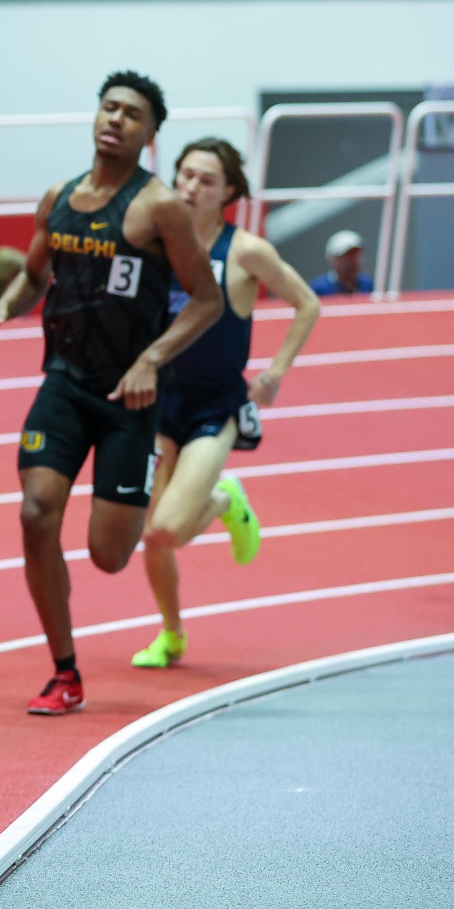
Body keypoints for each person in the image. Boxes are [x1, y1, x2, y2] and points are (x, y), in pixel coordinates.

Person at [0, 71, 221, 716]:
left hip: (129, 400)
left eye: (132, 113)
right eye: (108, 107)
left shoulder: (158, 206)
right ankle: (65, 672)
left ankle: (214, 498)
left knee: (109, 556)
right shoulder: (58, 198)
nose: (116, 119)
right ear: (95, 117)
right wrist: (3, 307)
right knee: (34, 514)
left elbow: (207, 299)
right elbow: (32, 278)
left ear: (149, 133)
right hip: (64, 384)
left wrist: (151, 360)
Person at [129, 138, 322, 668]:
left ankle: (224, 500)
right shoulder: (156, 242)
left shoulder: (246, 251)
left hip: (214, 409)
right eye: (185, 175)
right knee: (151, 538)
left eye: (206, 180)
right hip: (157, 402)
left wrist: (276, 371)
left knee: (166, 527)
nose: (190, 187)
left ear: (229, 192)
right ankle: (171, 635)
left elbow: (307, 303)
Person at [311, 229, 372, 295]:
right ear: (331, 259)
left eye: (356, 255)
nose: (353, 261)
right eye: (347, 256)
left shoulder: (367, 284)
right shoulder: (319, 288)